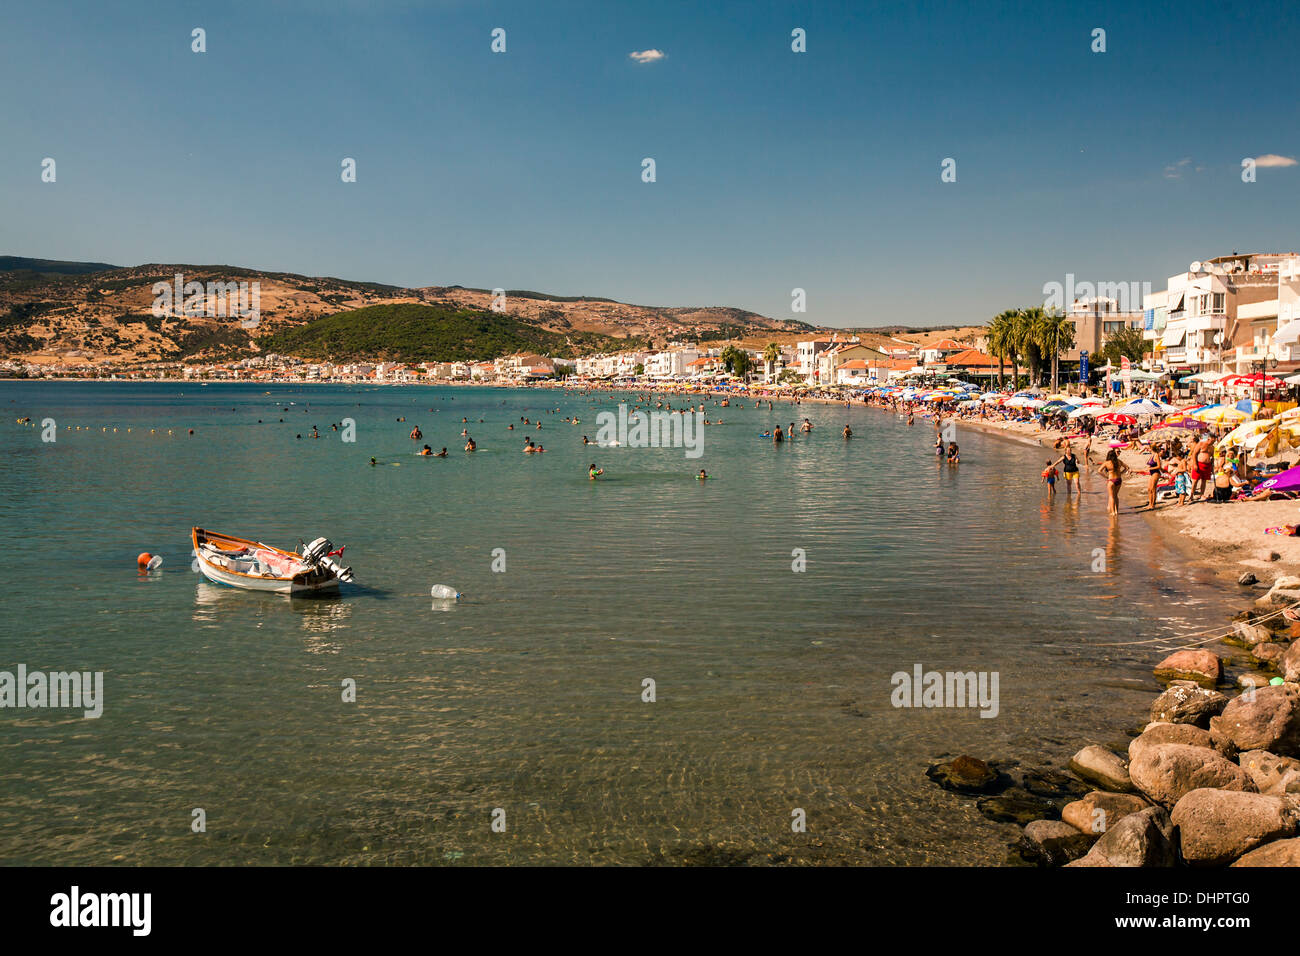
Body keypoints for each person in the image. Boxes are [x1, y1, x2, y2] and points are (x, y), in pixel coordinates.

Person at [1097, 449, 1130, 516]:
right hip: (1118, 480)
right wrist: (1121, 473)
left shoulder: (1107, 463)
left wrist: (1106, 476)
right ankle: (1116, 511)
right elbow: (1127, 467)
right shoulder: (1119, 461)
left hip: (1111, 480)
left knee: (1111, 497)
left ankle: (1113, 512)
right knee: (1116, 496)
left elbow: (1099, 471)